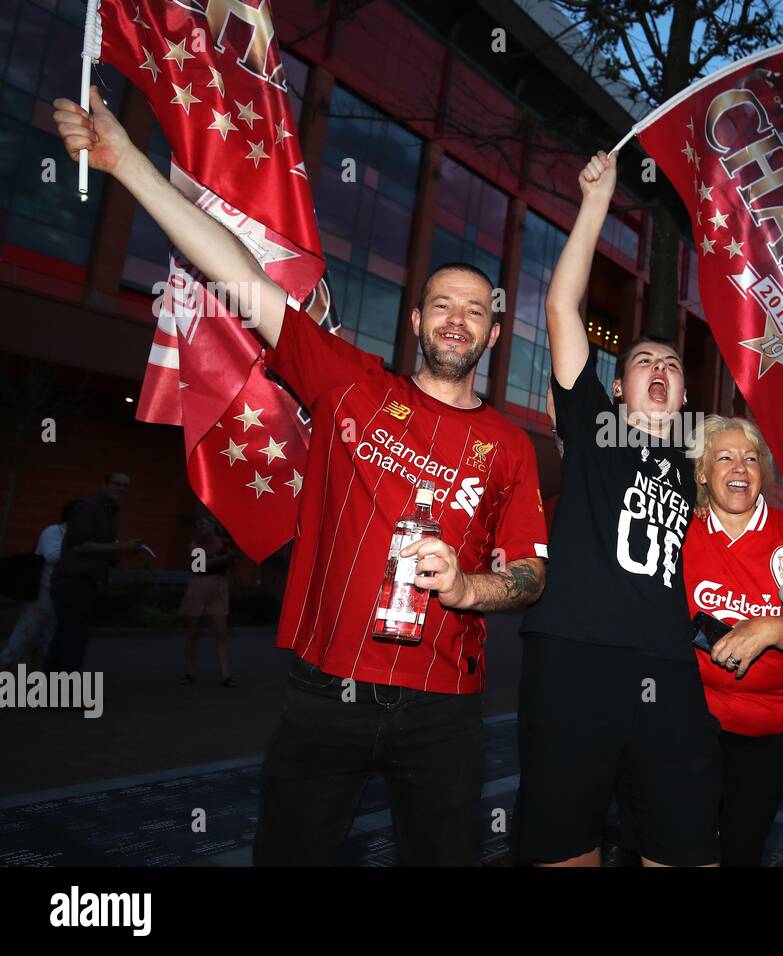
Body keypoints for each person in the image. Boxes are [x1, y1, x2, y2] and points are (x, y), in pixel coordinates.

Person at [54, 88, 549, 866]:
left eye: (476, 311)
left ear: (493, 332)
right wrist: (130, 168)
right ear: (415, 322)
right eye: (442, 306)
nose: (458, 320)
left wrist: (467, 588)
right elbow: (243, 278)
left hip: (443, 706)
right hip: (327, 692)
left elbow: (528, 575)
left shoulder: (511, 447)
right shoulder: (350, 383)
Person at [512, 150, 720, 868]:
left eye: (671, 365)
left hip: (669, 666)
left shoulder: (701, 468)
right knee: (564, 846)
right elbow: (562, 307)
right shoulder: (593, 430)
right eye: (643, 362)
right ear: (619, 387)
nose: (659, 370)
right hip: (574, 658)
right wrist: (596, 201)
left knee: (687, 844)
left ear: (685, 396)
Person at [683, 415, 783, 866]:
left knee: (741, 848)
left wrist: (770, 628)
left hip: (769, 731)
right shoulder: (679, 530)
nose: (740, 467)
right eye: (724, 457)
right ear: (701, 473)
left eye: (750, 458)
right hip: (689, 722)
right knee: (684, 844)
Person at [48, 474, 146, 671]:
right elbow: (81, 546)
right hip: (73, 580)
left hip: (86, 580)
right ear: (104, 485)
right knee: (73, 637)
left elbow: (101, 548)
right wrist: (120, 548)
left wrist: (123, 551)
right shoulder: (88, 508)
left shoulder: (109, 511)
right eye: (116, 484)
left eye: (125, 486)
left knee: (66, 636)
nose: (121, 489)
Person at [0, 500, 77, 670]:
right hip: (44, 593)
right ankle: (4, 664)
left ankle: (38, 680)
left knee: (46, 639)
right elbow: (52, 556)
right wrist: (83, 549)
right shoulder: (53, 532)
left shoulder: (76, 537)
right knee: (24, 635)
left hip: (61, 595)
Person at [179, 516, 236, 687]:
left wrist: (231, 560)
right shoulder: (195, 544)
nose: (201, 526)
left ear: (213, 525)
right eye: (198, 523)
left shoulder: (224, 543)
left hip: (219, 587)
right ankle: (190, 672)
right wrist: (225, 558)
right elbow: (199, 565)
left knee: (221, 632)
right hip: (199, 586)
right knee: (193, 632)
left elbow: (232, 565)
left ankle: (226, 674)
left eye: (205, 523)